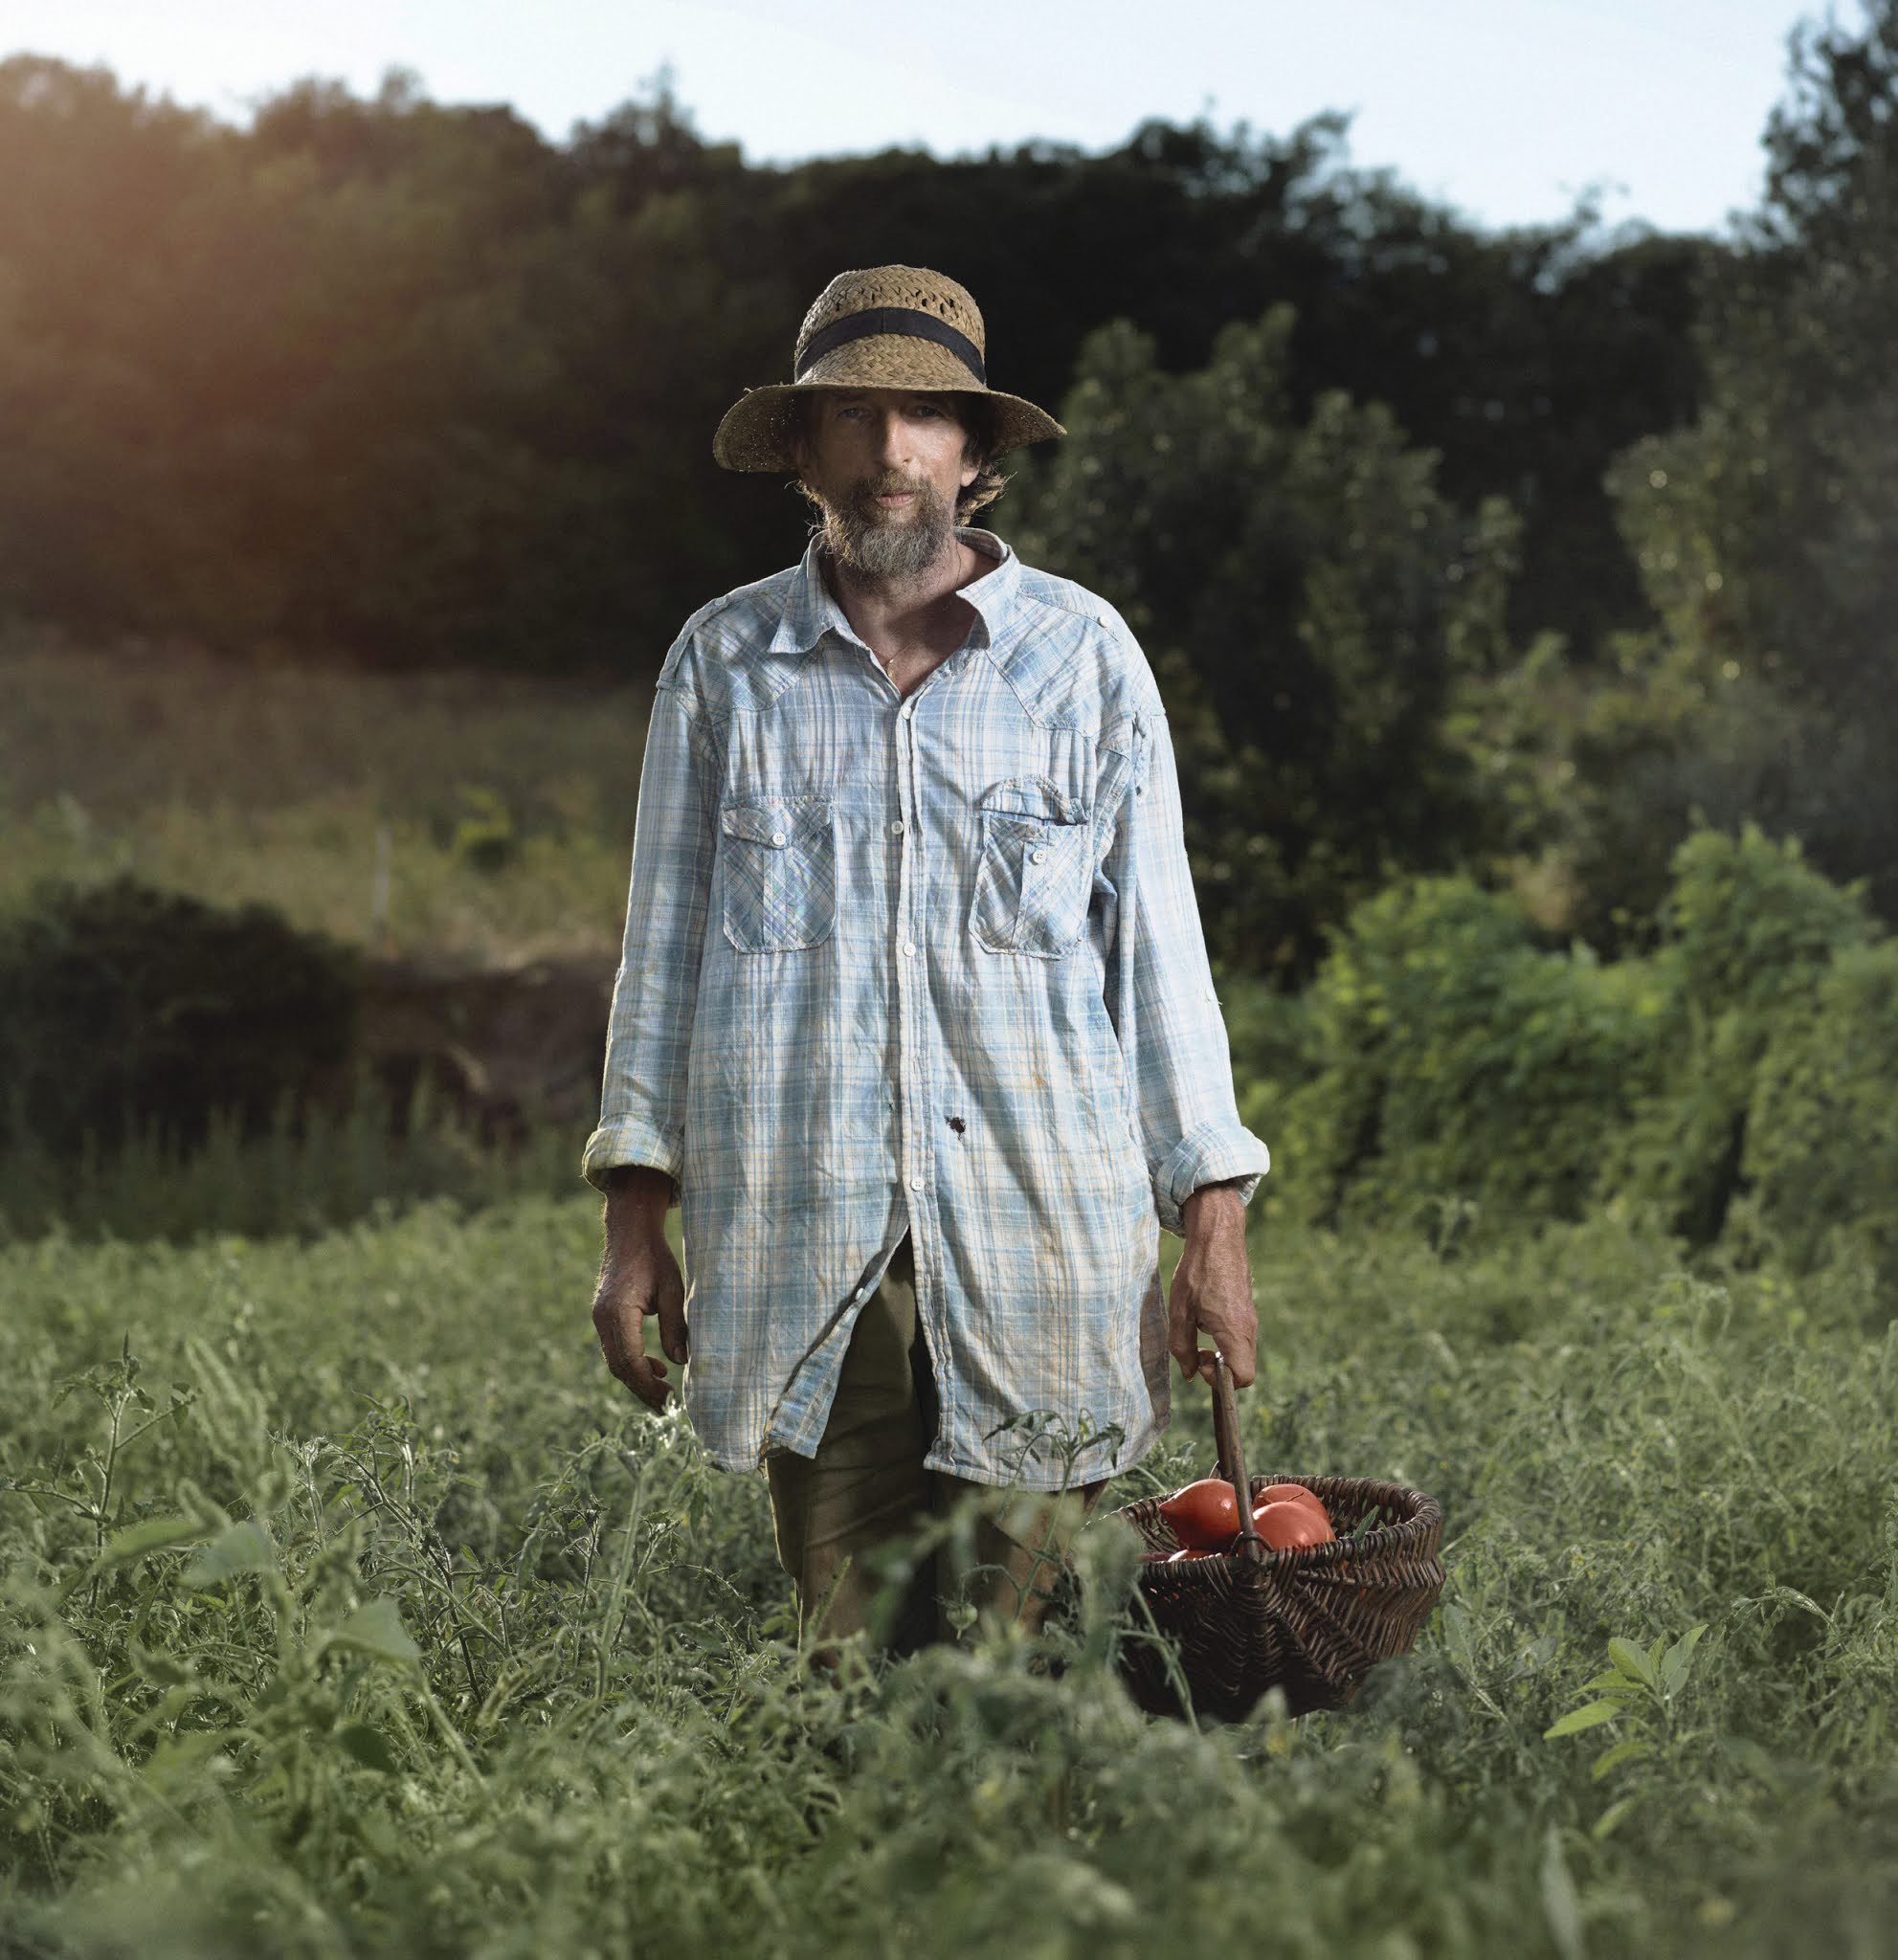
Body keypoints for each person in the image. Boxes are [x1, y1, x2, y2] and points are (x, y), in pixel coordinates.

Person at [584, 264, 1270, 1669]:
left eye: (927, 417)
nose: (892, 452)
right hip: (806, 1243)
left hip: (1046, 1252)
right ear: (803, 449)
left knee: (1016, 1681)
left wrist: (1212, 1234)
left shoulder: (1083, 661)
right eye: (854, 416)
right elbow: (659, 955)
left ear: (976, 453)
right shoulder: (726, 666)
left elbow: (1159, 960)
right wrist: (632, 1222)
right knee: (846, 1681)